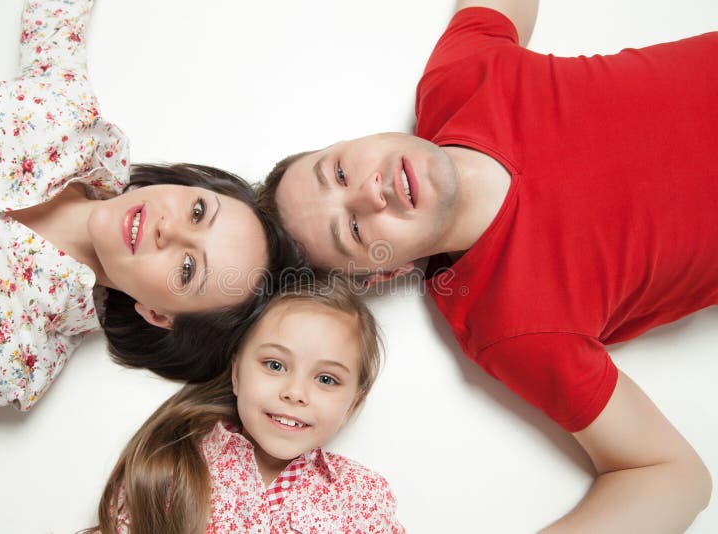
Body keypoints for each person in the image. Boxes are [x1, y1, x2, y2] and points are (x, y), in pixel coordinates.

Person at [257, 1, 716, 531]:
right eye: (353, 230)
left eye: (338, 172)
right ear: (385, 272)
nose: (369, 191)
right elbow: (673, 475)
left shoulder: (460, 78)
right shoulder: (513, 325)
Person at [0, 0, 300, 426]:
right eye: (197, 211)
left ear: (158, 315)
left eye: (188, 267)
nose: (167, 229)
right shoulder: (66, 114)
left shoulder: (9, 362)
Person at [88, 276, 404, 534]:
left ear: (352, 404)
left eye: (326, 379)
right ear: (237, 373)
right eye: (275, 365)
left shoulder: (363, 499)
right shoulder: (174, 468)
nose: (295, 393)